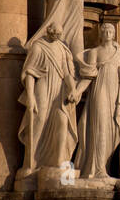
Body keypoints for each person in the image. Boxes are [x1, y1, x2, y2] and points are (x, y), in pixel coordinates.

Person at [72, 22, 120, 179]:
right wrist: (77, 91)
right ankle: (96, 168)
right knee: (99, 126)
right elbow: (89, 75)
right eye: (105, 31)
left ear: (114, 34)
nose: (108, 33)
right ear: (100, 34)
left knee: (112, 129)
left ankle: (105, 166)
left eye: (111, 31)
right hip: (100, 91)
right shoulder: (95, 52)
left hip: (115, 92)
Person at [19, 24, 82, 173]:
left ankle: (60, 162)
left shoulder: (62, 48)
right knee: (38, 120)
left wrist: (73, 89)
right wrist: (30, 96)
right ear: (50, 33)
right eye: (56, 34)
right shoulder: (38, 47)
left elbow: (67, 73)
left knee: (62, 121)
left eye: (60, 35)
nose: (58, 37)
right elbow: (29, 73)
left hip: (59, 89)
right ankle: (31, 162)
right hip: (43, 86)